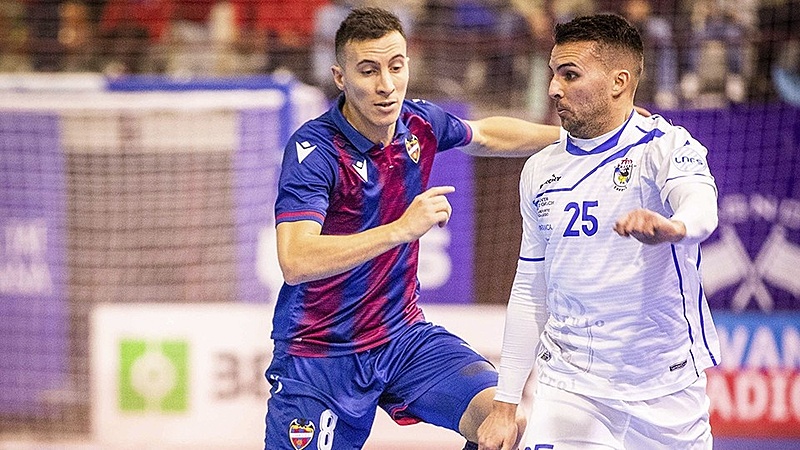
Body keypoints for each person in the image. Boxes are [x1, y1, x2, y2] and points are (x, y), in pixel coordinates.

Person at [266, 6, 562, 450]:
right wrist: (400, 228)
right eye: (368, 70)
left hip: (402, 338)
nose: (386, 85)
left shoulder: (418, 124)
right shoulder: (315, 150)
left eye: (395, 66)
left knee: (505, 423)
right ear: (340, 77)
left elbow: (486, 134)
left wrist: (579, 137)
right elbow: (296, 260)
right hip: (320, 353)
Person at [477, 14, 720, 450]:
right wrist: (505, 404)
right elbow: (531, 286)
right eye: (553, 74)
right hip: (570, 386)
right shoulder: (540, 169)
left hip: (665, 387)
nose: (554, 89)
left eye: (570, 75)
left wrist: (674, 227)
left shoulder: (665, 146)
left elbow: (701, 206)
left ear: (618, 82)